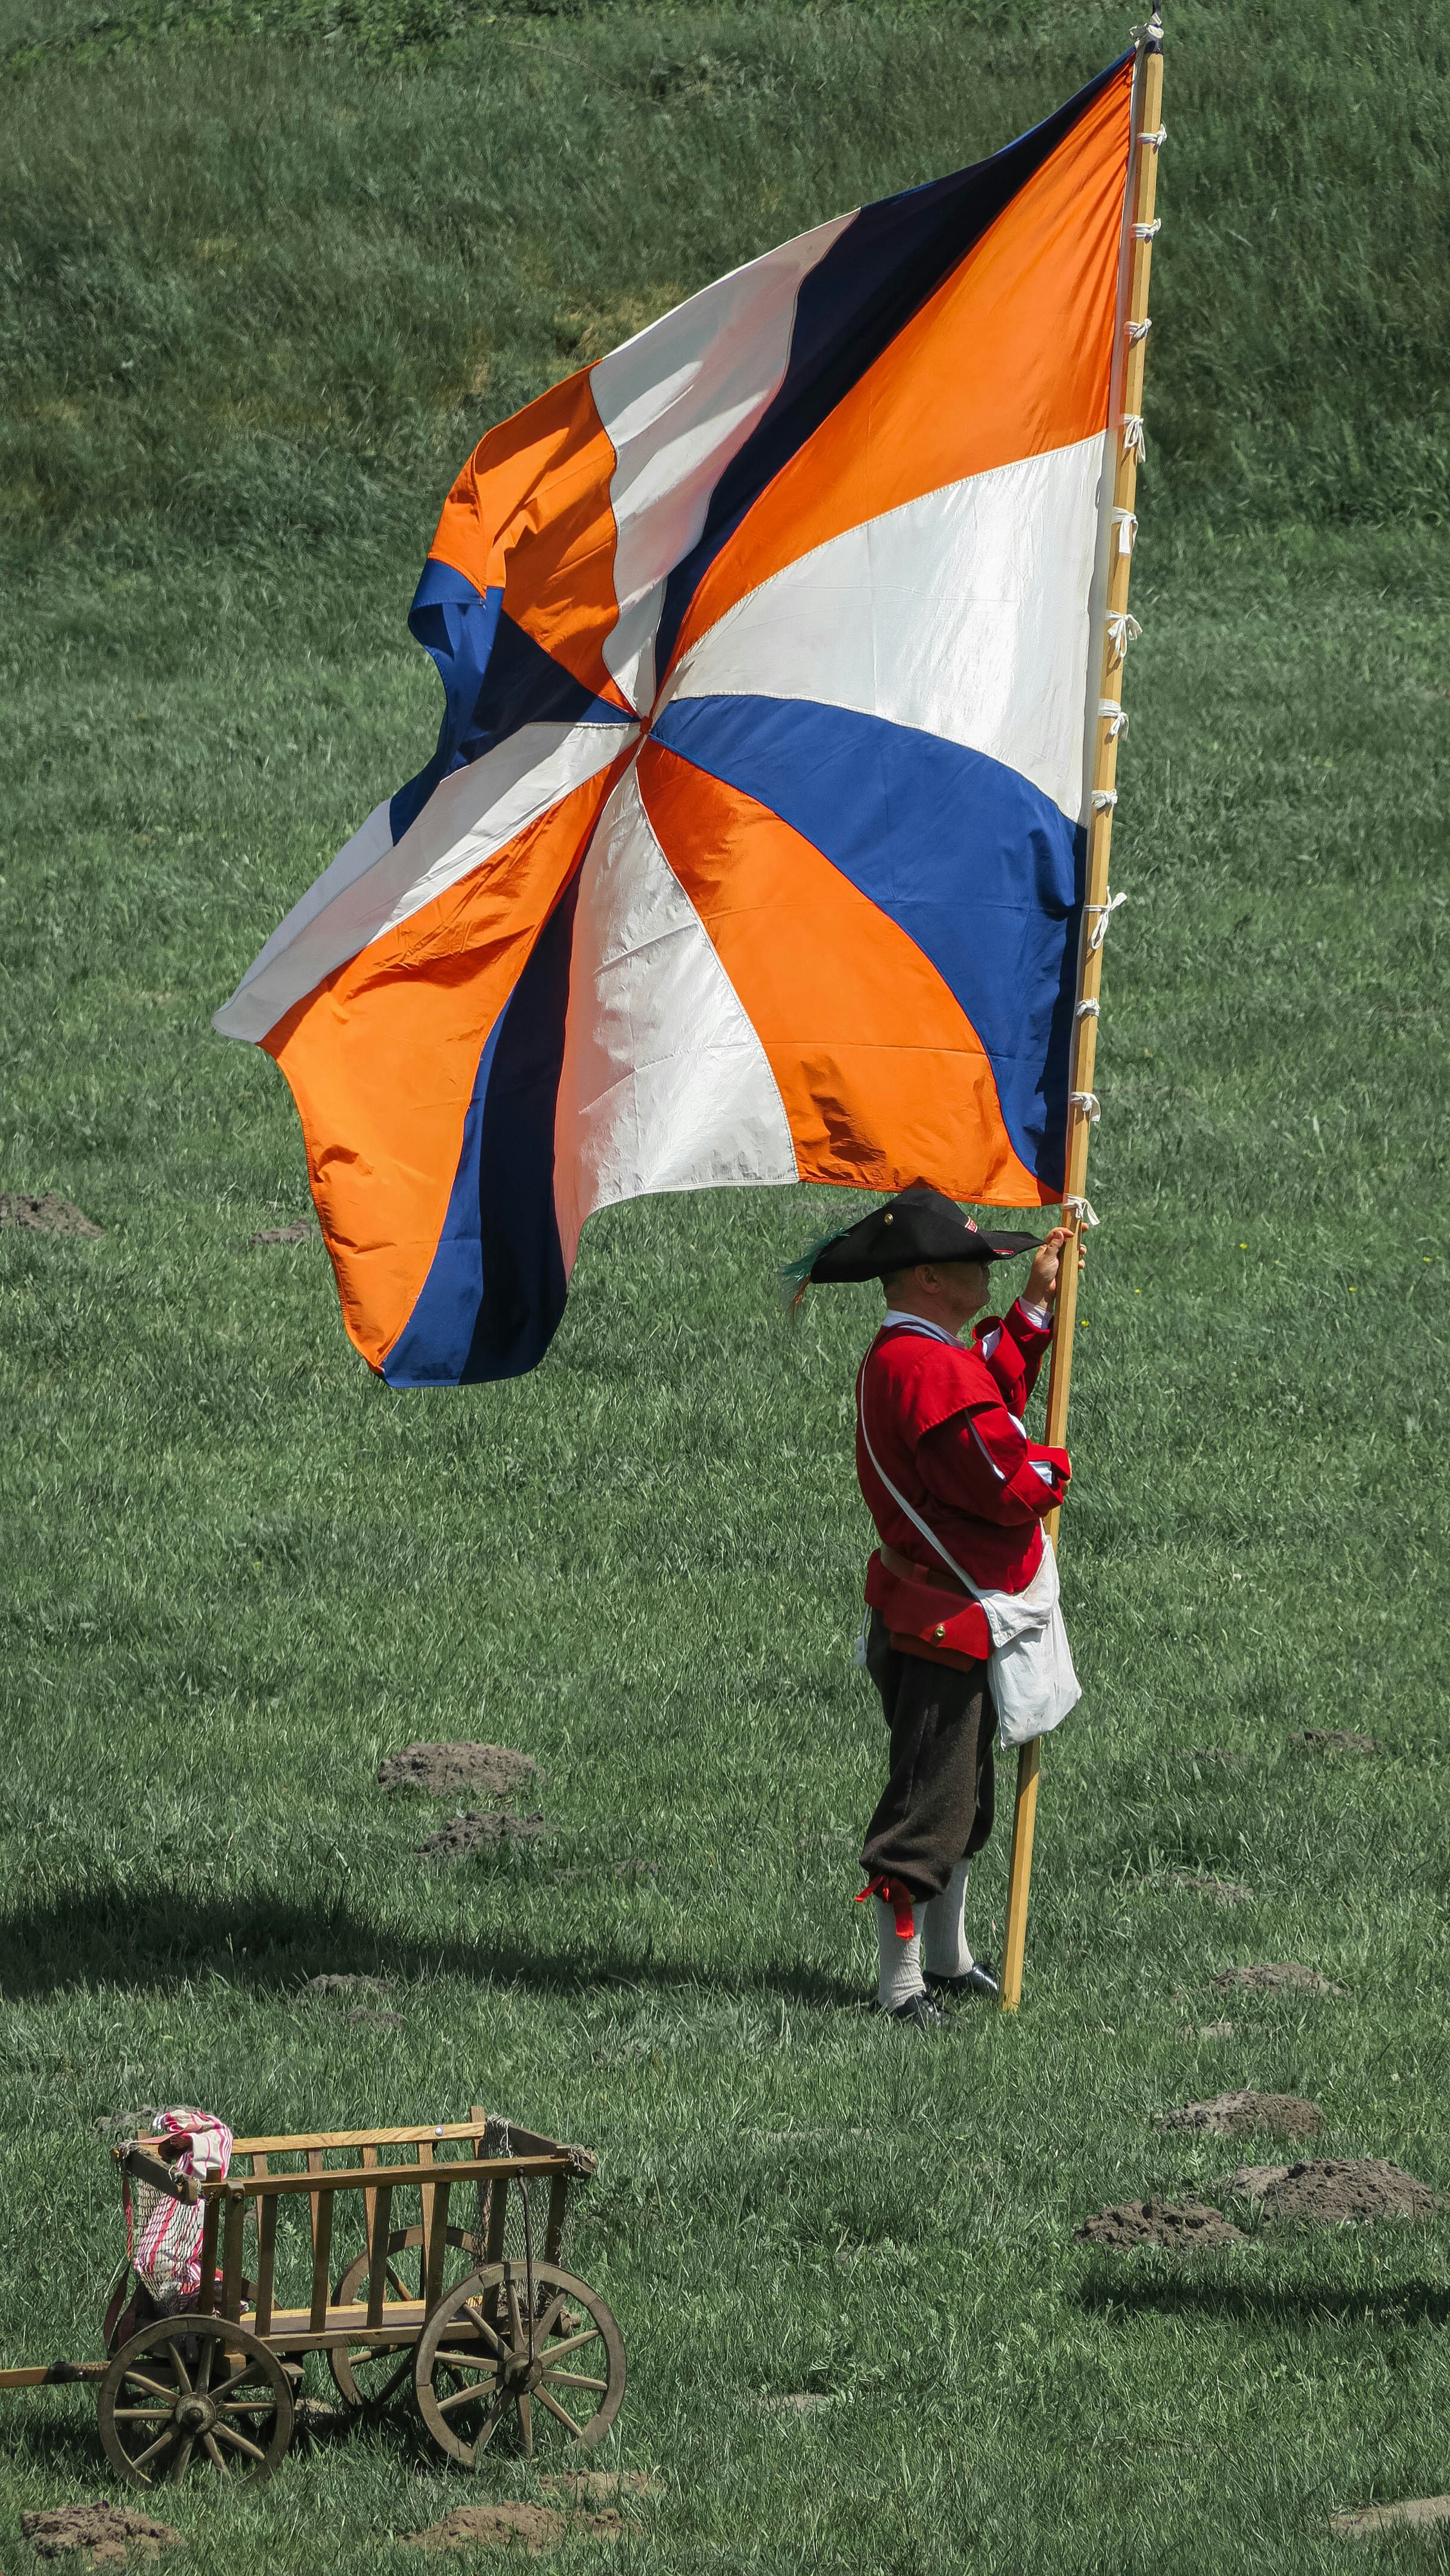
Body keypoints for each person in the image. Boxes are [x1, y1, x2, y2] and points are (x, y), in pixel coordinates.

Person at [792, 1184, 1075, 2029]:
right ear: (924, 1277)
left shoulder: (923, 1357)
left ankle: (948, 1964)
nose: (984, 1265)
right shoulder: (925, 1367)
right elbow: (998, 1479)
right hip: (942, 1618)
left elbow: (988, 1397)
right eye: (967, 1260)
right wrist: (1054, 1473)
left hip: (938, 1608)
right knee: (930, 1805)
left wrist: (1033, 1307)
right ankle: (902, 1988)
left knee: (965, 1797)